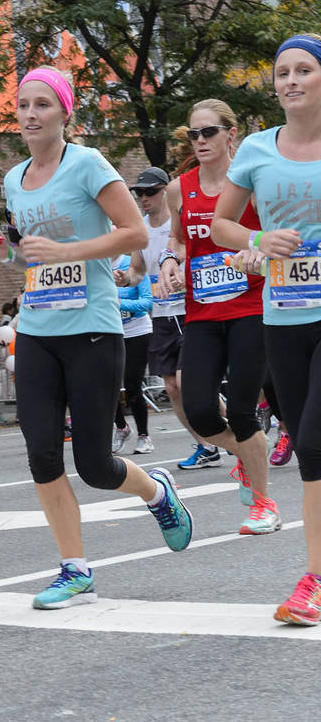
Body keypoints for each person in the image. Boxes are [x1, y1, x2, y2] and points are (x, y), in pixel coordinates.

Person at [0, 65, 193, 610]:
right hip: (37, 332)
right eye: (23, 105)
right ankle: (75, 569)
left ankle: (156, 490)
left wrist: (67, 252)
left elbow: (135, 233)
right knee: (42, 454)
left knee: (97, 465)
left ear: (64, 112)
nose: (30, 114)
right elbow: (32, 253)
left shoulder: (88, 164)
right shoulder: (13, 179)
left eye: (42, 105)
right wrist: (4, 250)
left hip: (94, 330)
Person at [211, 33, 321, 624]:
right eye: (283, 72)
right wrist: (257, 242)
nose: (291, 81)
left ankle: (314, 580)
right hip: (285, 313)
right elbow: (222, 226)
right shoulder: (255, 148)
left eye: (305, 70)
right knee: (311, 453)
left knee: (317, 442)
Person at [157, 99, 278, 535]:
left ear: (231, 135)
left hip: (249, 308)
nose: (201, 141)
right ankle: (248, 460)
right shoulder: (179, 189)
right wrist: (169, 263)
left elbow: (270, 239)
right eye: (194, 134)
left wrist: (256, 252)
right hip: (202, 313)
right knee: (200, 410)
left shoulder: (250, 184)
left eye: (209, 132)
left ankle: (264, 504)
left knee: (244, 411)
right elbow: (178, 240)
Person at [116, 167, 218, 467]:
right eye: (139, 193)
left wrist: (183, 277)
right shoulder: (141, 230)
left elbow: (201, 257)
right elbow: (137, 270)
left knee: (189, 383)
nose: (144, 198)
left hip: (189, 310)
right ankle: (206, 446)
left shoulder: (179, 225)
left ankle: (238, 429)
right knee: (172, 387)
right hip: (161, 316)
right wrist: (127, 279)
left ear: (165, 192)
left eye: (150, 192)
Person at [111, 253, 154, 454]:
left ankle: (144, 436)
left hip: (137, 330)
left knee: (131, 384)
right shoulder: (95, 264)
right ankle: (121, 427)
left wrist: (120, 304)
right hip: (110, 330)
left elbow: (147, 302)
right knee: (106, 385)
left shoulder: (131, 264)